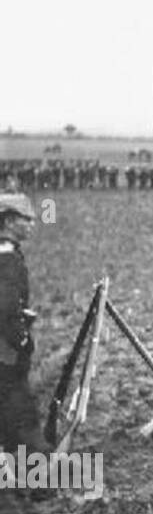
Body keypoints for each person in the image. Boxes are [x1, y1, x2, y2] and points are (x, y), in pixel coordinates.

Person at [0, 194, 46, 453]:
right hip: (5, 354)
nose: (31, 224)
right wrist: (23, 340)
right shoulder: (7, 259)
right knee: (23, 418)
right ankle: (40, 486)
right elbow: (5, 308)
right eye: (25, 218)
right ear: (8, 221)